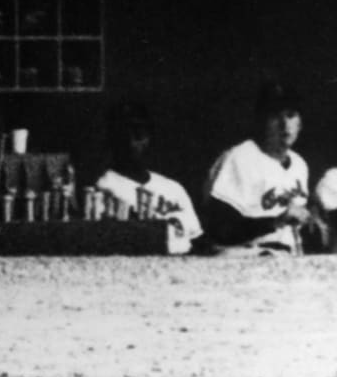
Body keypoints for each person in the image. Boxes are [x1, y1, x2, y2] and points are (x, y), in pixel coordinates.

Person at [201, 82, 325, 255]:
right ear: (261, 120)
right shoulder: (238, 158)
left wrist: (312, 221)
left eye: (291, 115)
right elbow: (218, 230)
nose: (284, 124)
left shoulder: (299, 165)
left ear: (300, 123)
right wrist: (276, 221)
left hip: (286, 258)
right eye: (275, 116)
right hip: (242, 257)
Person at [94, 104, 202, 255]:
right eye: (124, 135)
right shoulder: (102, 189)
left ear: (149, 139)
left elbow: (197, 241)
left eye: (138, 135)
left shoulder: (173, 188)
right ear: (112, 139)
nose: (131, 143)